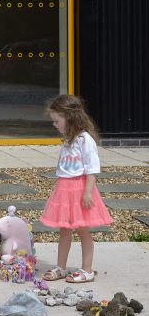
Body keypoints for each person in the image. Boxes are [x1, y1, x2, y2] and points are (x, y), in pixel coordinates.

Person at [39, 93, 112, 283]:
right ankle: (60, 267)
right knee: (64, 230)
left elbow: (92, 168)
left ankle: (87, 269)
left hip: (79, 190)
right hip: (64, 189)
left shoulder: (84, 139)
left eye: (57, 120)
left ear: (69, 117)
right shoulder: (68, 138)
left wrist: (88, 192)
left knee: (82, 230)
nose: (54, 124)